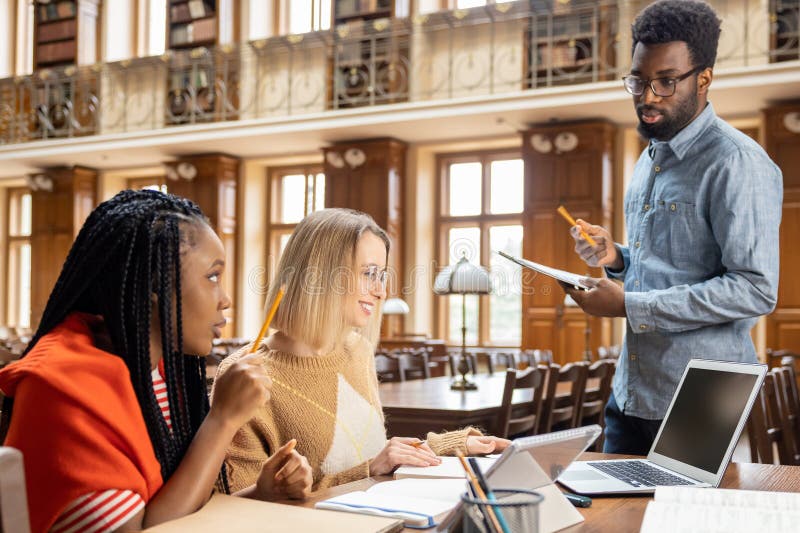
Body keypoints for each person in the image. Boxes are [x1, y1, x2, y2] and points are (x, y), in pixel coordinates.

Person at [0, 190, 312, 532]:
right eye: (212, 276)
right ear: (155, 287)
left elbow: (178, 512)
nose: (225, 300)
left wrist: (261, 494)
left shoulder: (158, 371)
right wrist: (222, 419)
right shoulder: (63, 386)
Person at [563, 0, 782, 455]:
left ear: (703, 78)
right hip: (633, 388)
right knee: (613, 525)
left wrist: (630, 304)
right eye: (639, 81)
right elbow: (667, 265)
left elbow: (755, 289)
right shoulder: (649, 159)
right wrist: (617, 258)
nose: (647, 96)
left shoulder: (737, 162)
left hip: (704, 396)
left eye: (665, 81)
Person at [215, 208, 509, 492]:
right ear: (320, 275)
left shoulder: (358, 350)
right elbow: (248, 504)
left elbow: (368, 454)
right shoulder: (243, 373)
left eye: (381, 276)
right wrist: (368, 470)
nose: (381, 291)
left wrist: (443, 448)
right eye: (369, 273)